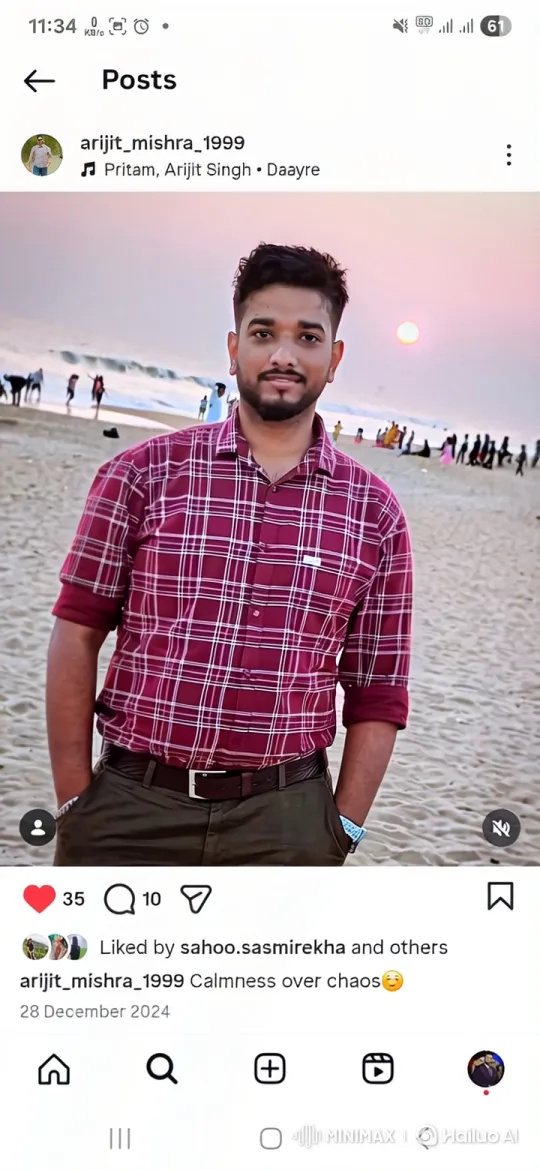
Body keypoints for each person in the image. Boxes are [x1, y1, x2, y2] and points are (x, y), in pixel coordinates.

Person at [47, 243, 413, 868]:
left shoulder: (374, 514)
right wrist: (76, 802)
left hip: (287, 820)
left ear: (335, 357)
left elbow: (378, 691)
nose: (283, 355)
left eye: (308, 337)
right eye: (263, 332)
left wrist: (341, 830)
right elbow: (76, 634)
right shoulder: (140, 476)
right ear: (233, 345)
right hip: (130, 806)